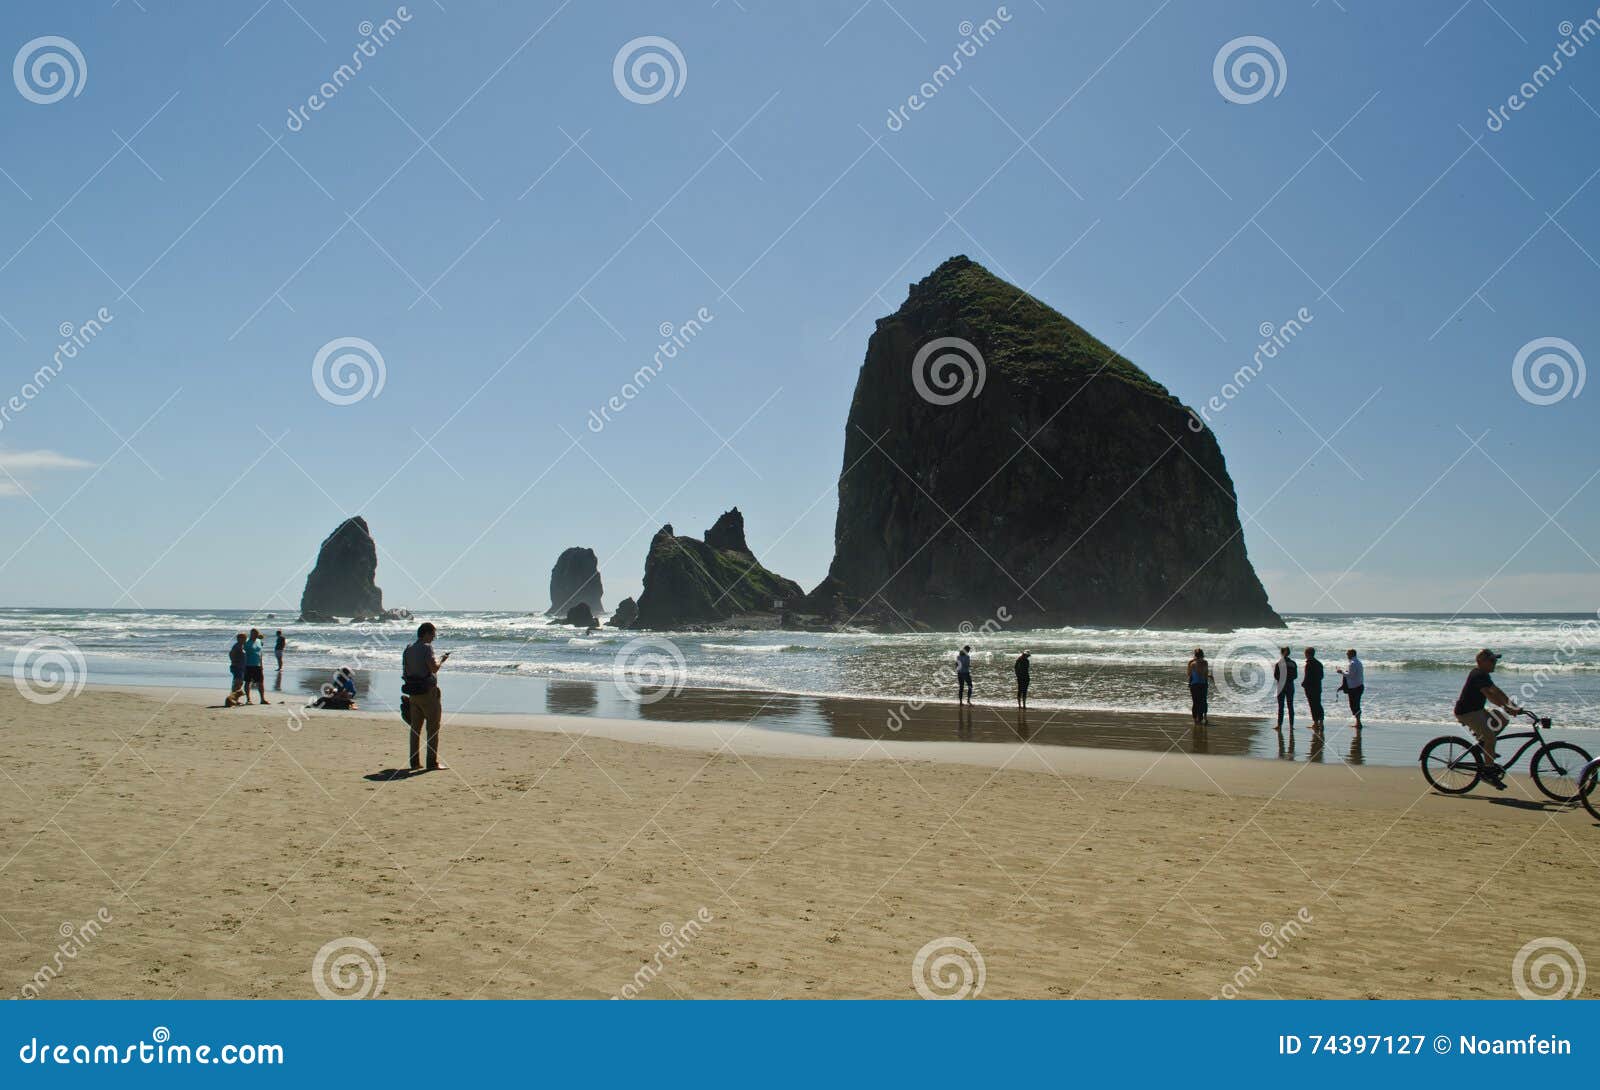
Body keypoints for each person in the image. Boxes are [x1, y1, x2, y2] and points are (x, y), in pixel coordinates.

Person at [1454, 649, 1522, 790]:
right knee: (1490, 738)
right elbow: (1490, 695)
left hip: (1477, 711)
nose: (1495, 663)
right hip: (1467, 713)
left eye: (1495, 660)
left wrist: (1511, 706)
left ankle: (1484, 745)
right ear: (1481, 662)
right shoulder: (1477, 675)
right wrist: (1507, 707)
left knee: (1502, 719)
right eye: (1492, 660)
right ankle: (1488, 772)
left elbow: (1497, 691)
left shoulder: (1484, 675)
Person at [403, 622, 450, 770]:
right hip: (427, 692)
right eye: (433, 635)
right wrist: (442, 659)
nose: (433, 639)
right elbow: (433, 668)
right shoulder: (426, 648)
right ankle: (432, 762)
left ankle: (414, 762)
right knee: (433, 728)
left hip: (413, 692)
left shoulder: (408, 649)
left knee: (415, 729)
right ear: (426, 634)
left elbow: (406, 671)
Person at [1336, 649, 1364, 730]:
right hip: (1358, 686)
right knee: (1356, 705)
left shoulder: (1352, 663)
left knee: (1354, 705)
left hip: (1354, 687)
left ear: (1351, 654)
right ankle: (1358, 722)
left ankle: (1358, 722)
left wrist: (1341, 672)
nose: (1347, 655)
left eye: (1348, 654)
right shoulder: (1358, 662)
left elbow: (1350, 675)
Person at [1272, 646, 1298, 730]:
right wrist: (1289, 679)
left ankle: (1279, 725)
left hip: (1281, 686)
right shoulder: (1293, 663)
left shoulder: (1279, 663)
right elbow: (1295, 676)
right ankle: (1291, 726)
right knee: (1290, 706)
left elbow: (1276, 676)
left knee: (1281, 707)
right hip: (1290, 685)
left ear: (1281, 653)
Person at [242, 628, 269, 705]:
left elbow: (260, 653)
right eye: (253, 634)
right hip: (248, 665)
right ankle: (248, 699)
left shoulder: (259, 641)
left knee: (260, 682)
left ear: (257, 634)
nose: (254, 635)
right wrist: (243, 665)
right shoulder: (246, 642)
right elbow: (242, 653)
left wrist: (261, 664)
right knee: (248, 682)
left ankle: (262, 699)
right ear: (250, 634)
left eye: (255, 634)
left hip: (257, 665)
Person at [1186, 648, 1212, 726]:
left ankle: (1195, 720)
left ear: (1195, 655)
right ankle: (1202, 718)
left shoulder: (1191, 663)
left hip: (1194, 685)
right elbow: (1205, 675)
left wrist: (1189, 684)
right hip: (1203, 684)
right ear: (1202, 655)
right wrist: (1207, 682)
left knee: (1195, 702)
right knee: (1202, 701)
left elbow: (1189, 675)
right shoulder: (1205, 663)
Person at [1302, 647, 1325, 729]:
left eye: (1305, 653)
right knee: (1318, 704)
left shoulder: (1309, 664)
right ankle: (1321, 723)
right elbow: (1321, 676)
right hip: (1318, 687)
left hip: (1310, 688)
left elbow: (1307, 677)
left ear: (1308, 654)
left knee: (1313, 705)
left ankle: (1315, 723)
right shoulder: (1319, 663)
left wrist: (1304, 684)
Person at [227, 633, 246, 703]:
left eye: (244, 638)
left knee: (239, 683)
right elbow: (231, 654)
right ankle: (232, 699)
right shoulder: (237, 646)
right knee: (237, 683)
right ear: (238, 639)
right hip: (237, 667)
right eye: (242, 638)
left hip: (240, 667)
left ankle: (235, 699)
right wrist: (234, 661)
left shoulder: (241, 646)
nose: (244, 640)